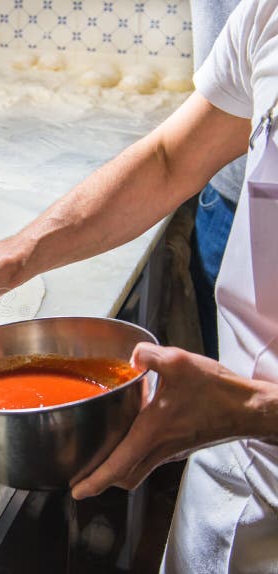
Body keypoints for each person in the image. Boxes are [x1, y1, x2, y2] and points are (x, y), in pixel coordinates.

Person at [0, 0, 278, 571]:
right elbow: (170, 160)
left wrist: (254, 408)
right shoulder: (264, 18)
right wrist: (8, 259)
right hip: (225, 482)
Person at [189, 0, 246, 361]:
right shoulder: (256, 19)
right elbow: (166, 161)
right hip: (224, 191)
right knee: (227, 365)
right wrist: (20, 256)